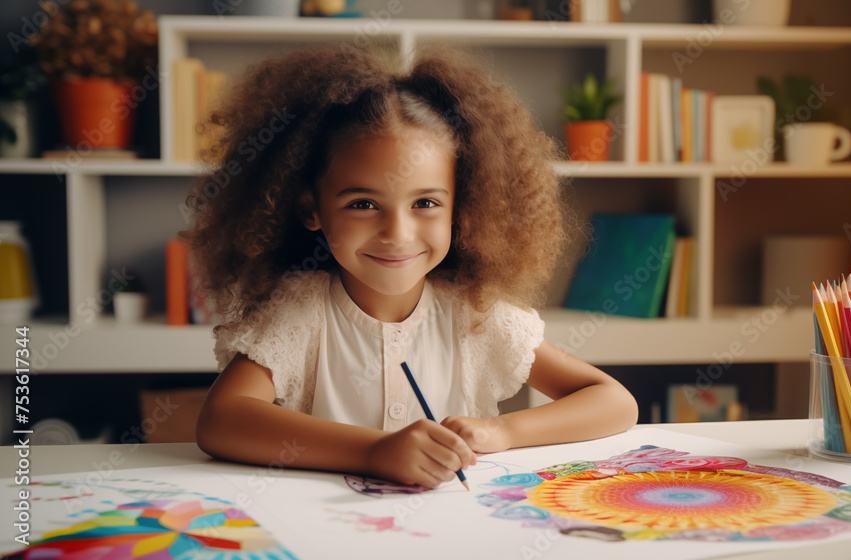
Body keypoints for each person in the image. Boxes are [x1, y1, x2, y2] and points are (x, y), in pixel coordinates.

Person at [188, 44, 638, 489]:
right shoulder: (301, 314)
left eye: (425, 202)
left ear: (462, 208)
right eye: (363, 204)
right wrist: (373, 451)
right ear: (312, 208)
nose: (398, 233)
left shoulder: (476, 315)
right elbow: (221, 421)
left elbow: (614, 402)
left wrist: (503, 432)